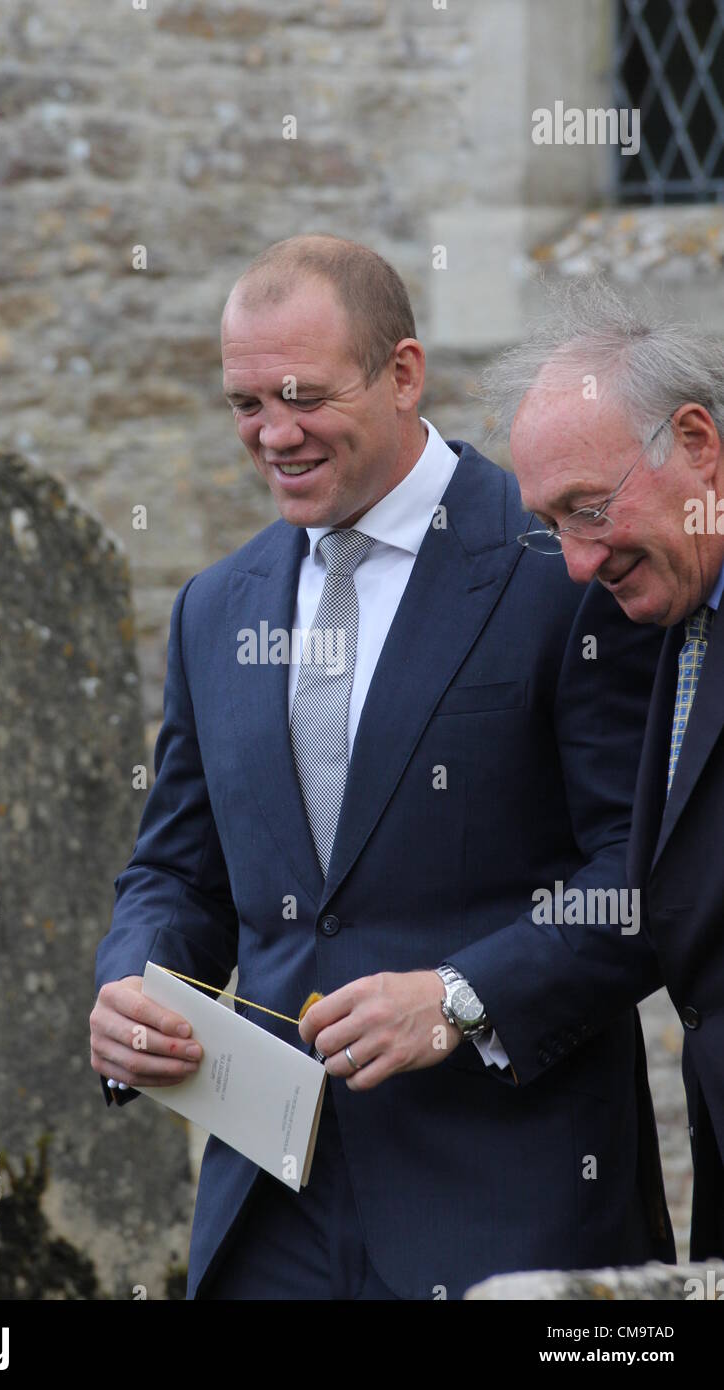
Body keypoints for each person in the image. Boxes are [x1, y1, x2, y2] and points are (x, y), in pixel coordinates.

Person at [90, 237, 673, 1300]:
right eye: (244, 403)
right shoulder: (213, 609)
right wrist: (132, 981)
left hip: (512, 1204)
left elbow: (641, 874)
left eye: (304, 396)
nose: (273, 433)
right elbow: (175, 874)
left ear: (403, 373)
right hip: (269, 1222)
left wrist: (458, 997)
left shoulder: (562, 564)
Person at [483, 277, 724, 1259]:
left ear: (696, 444)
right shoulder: (679, 624)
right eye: (552, 526)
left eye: (589, 509)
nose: (578, 562)